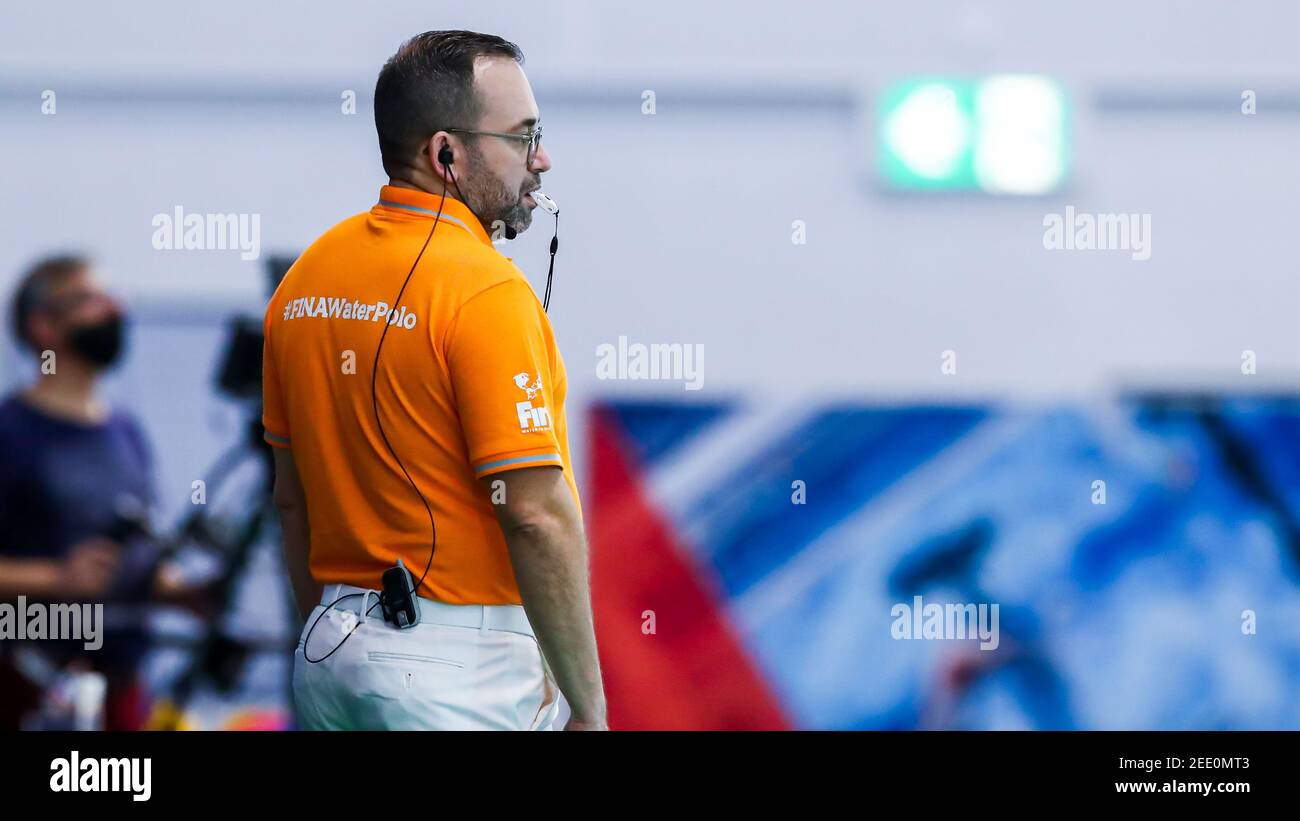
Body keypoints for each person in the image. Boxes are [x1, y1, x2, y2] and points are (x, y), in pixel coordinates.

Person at [264, 30, 606, 730]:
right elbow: (536, 513)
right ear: (446, 153)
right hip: (454, 672)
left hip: (330, 649)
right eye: (522, 136)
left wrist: (341, 637)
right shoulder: (484, 291)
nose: (542, 160)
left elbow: (291, 502)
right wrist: (590, 707)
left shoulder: (305, 280)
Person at [0, 254, 187, 730]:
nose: (114, 309)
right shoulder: (11, 431)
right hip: (25, 685)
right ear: (43, 325)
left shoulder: (125, 431)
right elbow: (63, 578)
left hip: (122, 689)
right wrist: (54, 579)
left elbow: (136, 553)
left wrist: (185, 593)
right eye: (91, 299)